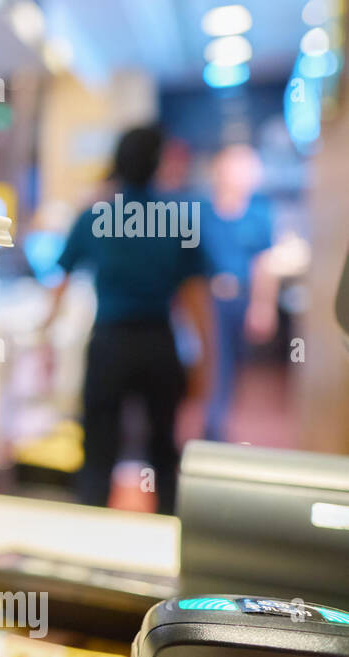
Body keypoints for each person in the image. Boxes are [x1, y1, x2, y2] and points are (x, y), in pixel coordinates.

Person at [42, 126, 214, 515]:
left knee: (98, 448)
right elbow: (197, 302)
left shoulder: (95, 216)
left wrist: (44, 338)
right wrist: (205, 363)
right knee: (163, 450)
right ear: (157, 164)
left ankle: (89, 535)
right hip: (159, 345)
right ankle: (168, 537)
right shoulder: (177, 220)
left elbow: (59, 283)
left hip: (109, 346)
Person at [198, 144, 277, 442]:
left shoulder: (259, 214)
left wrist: (262, 306)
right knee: (215, 366)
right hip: (209, 301)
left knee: (238, 369)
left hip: (242, 299)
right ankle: (212, 431)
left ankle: (224, 425)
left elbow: (263, 264)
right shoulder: (202, 213)